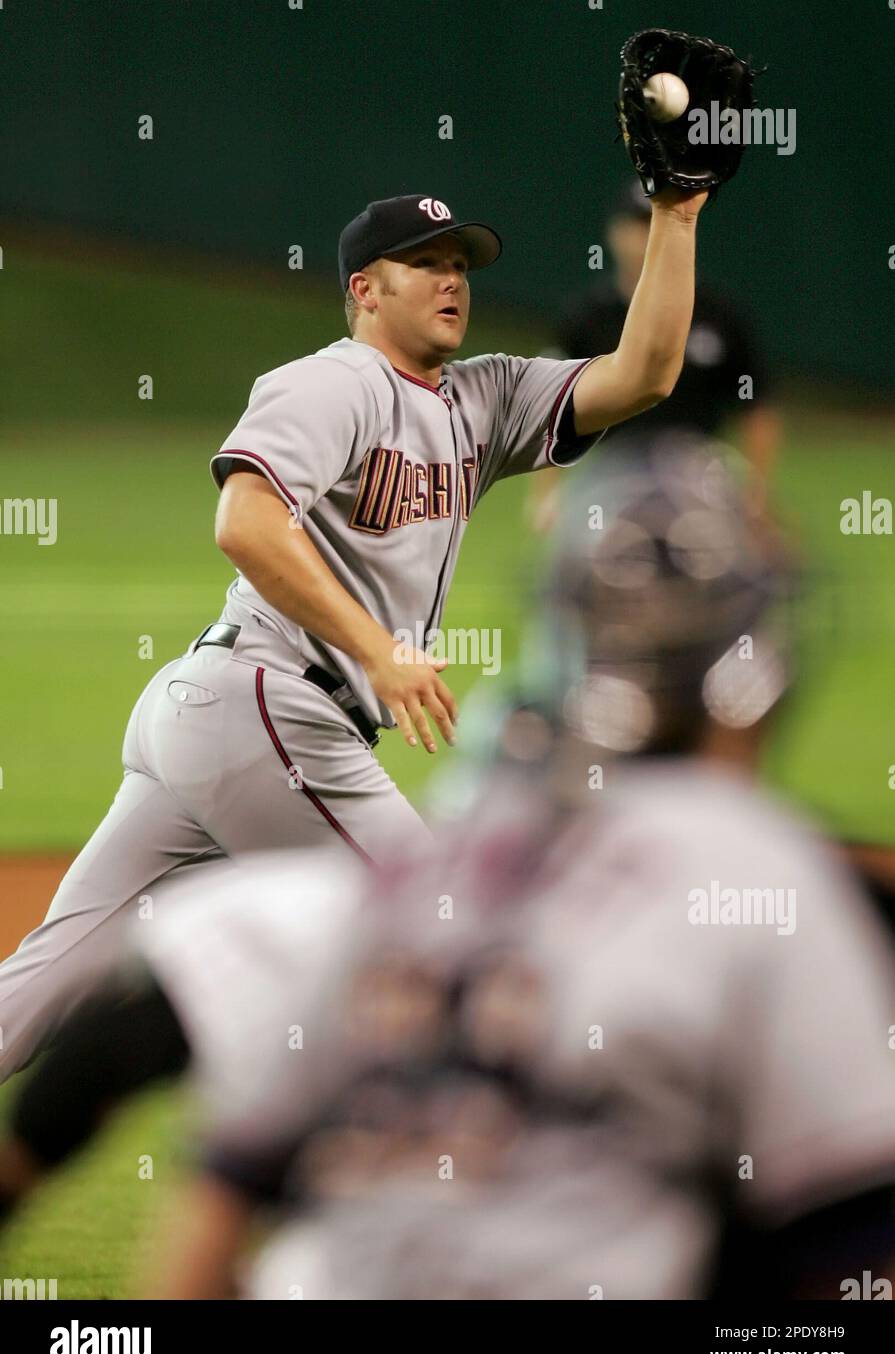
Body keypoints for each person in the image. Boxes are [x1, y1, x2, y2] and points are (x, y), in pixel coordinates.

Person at [14, 445, 879, 1302]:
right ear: (755, 666)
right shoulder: (763, 870)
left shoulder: (432, 863)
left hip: (203, 701)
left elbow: (172, 1091)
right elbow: (850, 1242)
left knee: (65, 953)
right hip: (263, 705)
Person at [0, 185, 710, 1084]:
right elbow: (247, 525)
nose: (451, 281)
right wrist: (379, 650)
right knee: (441, 933)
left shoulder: (482, 398)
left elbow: (644, 374)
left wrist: (675, 218)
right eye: (425, 263)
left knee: (49, 982)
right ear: (365, 289)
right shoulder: (332, 381)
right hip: (264, 705)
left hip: (221, 717)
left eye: (460, 265)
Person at [529, 179, 781, 533]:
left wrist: (755, 490)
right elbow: (552, 406)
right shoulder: (588, 317)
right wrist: (545, 496)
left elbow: (757, 407)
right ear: (614, 233)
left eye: (653, 223)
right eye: (635, 224)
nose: (643, 237)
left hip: (699, 468)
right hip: (615, 474)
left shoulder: (719, 313)